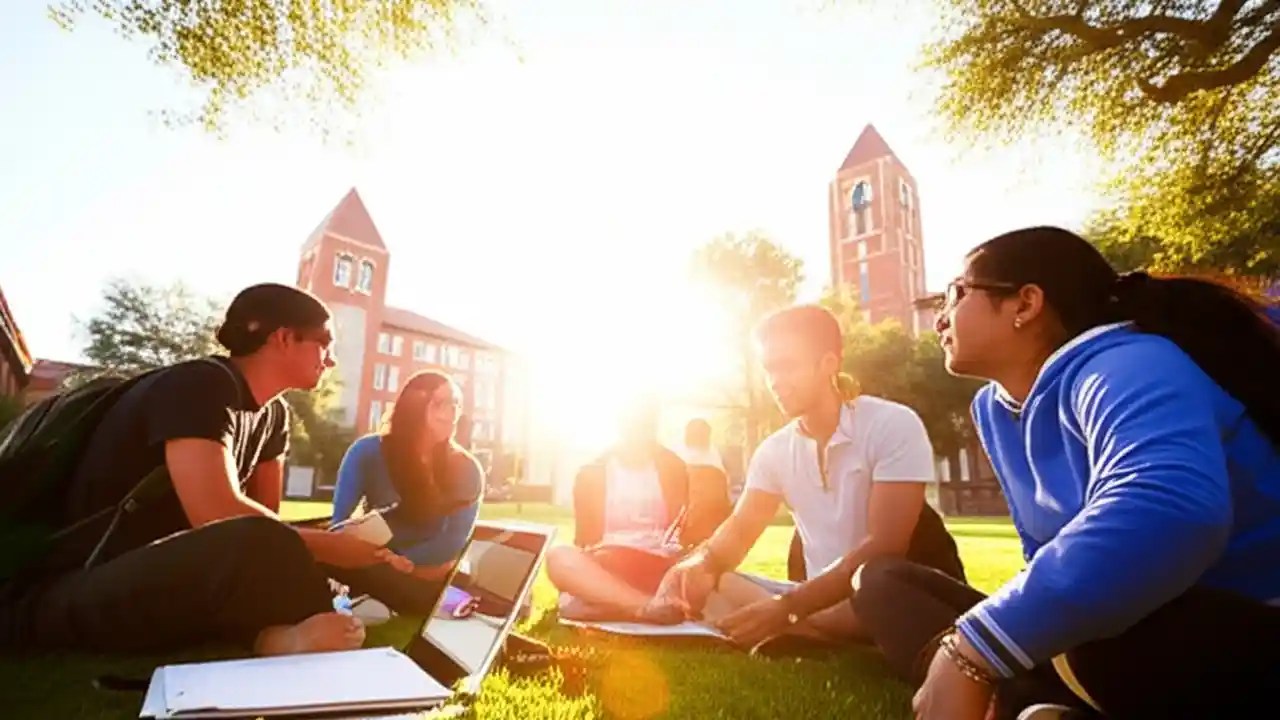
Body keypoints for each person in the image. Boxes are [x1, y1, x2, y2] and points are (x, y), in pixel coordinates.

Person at [853, 227, 1280, 720]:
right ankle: (1036, 702)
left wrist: (971, 649)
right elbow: (1045, 553)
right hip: (1144, 630)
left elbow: (1173, 510)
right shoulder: (994, 409)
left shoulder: (1127, 363)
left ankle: (1033, 698)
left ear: (1026, 303)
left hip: (1238, 623)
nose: (940, 319)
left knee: (1094, 638)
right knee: (882, 583)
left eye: (957, 293)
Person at [0, 283, 419, 657]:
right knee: (267, 544)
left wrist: (349, 543)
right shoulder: (202, 384)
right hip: (71, 583)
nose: (329, 360)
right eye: (323, 342)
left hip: (174, 574)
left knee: (294, 544)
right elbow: (216, 515)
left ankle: (305, 621)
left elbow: (265, 520)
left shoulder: (274, 417)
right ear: (283, 338)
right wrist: (329, 550)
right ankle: (272, 637)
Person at [651, 305, 964, 652]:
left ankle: (806, 630)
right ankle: (818, 633)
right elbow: (739, 530)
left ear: (828, 364)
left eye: (787, 366)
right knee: (718, 584)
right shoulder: (775, 451)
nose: (775, 381)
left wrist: (789, 608)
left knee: (877, 588)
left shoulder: (891, 424)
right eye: (770, 369)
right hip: (819, 601)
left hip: (890, 596)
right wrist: (698, 565)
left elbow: (886, 545)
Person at [547, 398, 719, 620]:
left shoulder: (673, 466)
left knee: (718, 574)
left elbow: (685, 530)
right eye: (631, 425)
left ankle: (613, 605)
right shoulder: (591, 473)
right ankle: (646, 607)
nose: (637, 434)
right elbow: (584, 540)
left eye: (644, 426)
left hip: (663, 565)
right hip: (609, 564)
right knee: (558, 557)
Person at [331, 370, 483, 585]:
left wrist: (403, 560)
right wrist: (377, 556)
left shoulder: (466, 468)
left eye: (456, 405)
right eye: (442, 403)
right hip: (373, 558)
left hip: (429, 570)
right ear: (414, 406)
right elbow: (340, 522)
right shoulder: (366, 451)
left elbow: (451, 542)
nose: (452, 413)